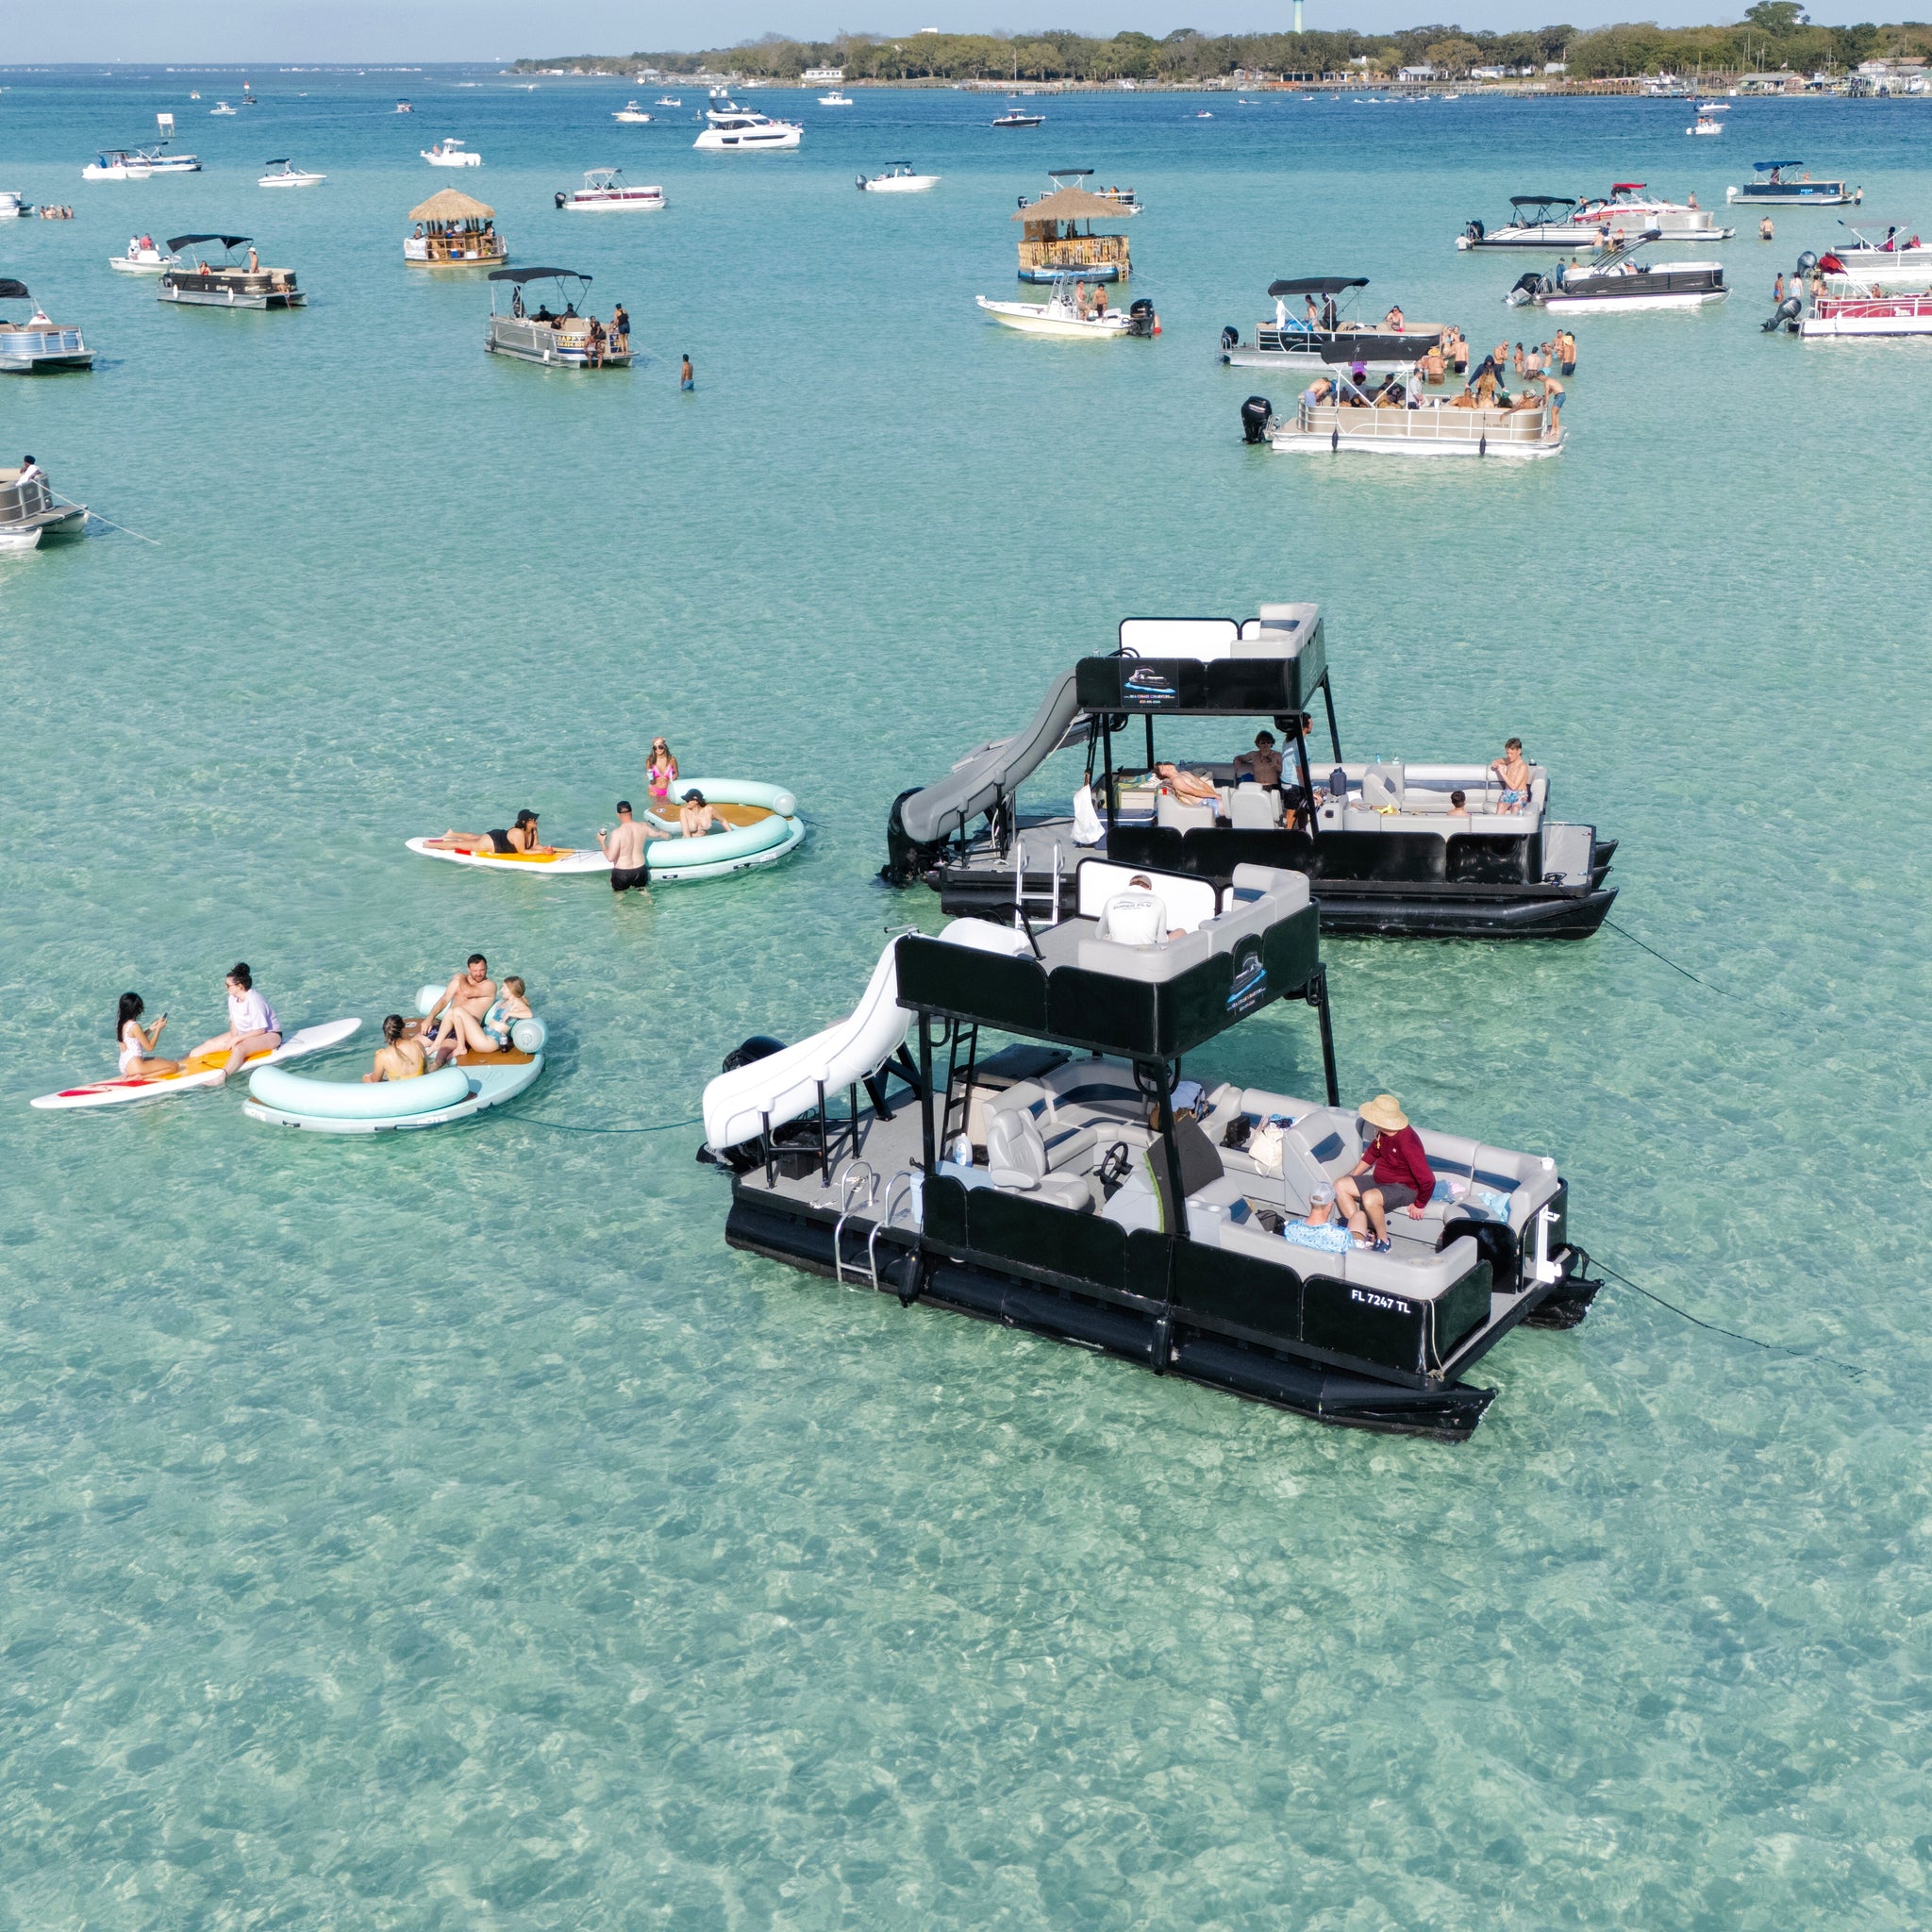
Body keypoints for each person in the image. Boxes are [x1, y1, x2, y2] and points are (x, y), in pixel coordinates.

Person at [1334, 1093, 1435, 1254]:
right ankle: (1361, 1231)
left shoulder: (1407, 1143)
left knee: (1369, 1197)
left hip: (1405, 1188)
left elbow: (1428, 1180)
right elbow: (1372, 1154)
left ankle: (1384, 1240)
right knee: (1340, 1185)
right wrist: (1354, 1175)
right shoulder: (1383, 1133)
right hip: (1380, 1181)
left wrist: (1419, 1204)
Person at [189, 962, 281, 1085]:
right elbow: (234, 1022)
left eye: (228, 985)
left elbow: (260, 1030)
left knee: (239, 1049)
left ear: (240, 986)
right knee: (208, 1044)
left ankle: (221, 1078)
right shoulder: (232, 998)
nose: (226, 987)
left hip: (270, 1034)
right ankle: (181, 1064)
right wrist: (233, 1038)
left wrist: (237, 1040)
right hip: (245, 1033)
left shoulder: (255, 1000)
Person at [430, 975, 530, 1065]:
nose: (501, 990)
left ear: (511, 989)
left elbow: (529, 1014)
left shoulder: (517, 1002)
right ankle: (437, 1044)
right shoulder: (507, 1002)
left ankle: (461, 1048)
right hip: (484, 1035)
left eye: (504, 987)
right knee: (452, 1011)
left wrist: (510, 1013)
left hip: (490, 1041)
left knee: (458, 1010)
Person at [421, 955, 495, 1059]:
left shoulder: (489, 986)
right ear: (468, 969)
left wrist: (461, 977)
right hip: (446, 1024)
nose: (479, 974)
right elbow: (444, 999)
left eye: (482, 970)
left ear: (486, 968)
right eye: (475, 970)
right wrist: (430, 1018)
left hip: (464, 1031)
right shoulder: (458, 982)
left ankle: (430, 1071)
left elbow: (467, 992)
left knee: (442, 1053)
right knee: (415, 1043)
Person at [599, 799, 662, 891]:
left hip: (622, 872)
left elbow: (610, 857)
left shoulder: (617, 833)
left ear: (617, 814)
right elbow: (659, 834)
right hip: (640, 869)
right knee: (644, 894)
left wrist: (602, 842)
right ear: (631, 811)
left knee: (620, 900)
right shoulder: (643, 827)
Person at [1279, 1184, 1360, 1255]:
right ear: (1330, 1204)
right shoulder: (1341, 1236)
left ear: (1309, 1200)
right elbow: (1354, 1256)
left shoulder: (1291, 1228)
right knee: (1360, 1216)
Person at [116, 991, 178, 1077]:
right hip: (135, 1065)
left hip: (125, 1064)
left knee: (164, 1060)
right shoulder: (134, 1026)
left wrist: (151, 1029)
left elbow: (135, 1040)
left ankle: (135, 1074)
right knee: (174, 1067)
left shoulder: (120, 1024)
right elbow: (150, 1047)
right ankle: (141, 1077)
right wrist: (158, 1030)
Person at [362, 1013, 426, 1084]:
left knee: (366, 1078)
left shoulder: (382, 1055)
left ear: (385, 1032)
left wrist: (366, 1077)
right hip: (419, 1086)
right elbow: (425, 1068)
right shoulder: (417, 1045)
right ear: (402, 1029)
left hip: (397, 1090)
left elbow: (375, 1081)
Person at [1489, 737, 1532, 811]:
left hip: (1520, 794)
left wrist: (1502, 772)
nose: (1509, 755)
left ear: (1519, 751)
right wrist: (1495, 763)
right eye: (1507, 753)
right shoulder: (1509, 761)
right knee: (1500, 807)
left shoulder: (1522, 766)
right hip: (1508, 792)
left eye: (1512, 753)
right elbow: (1499, 760)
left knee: (1515, 808)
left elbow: (1514, 787)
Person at [1154, 761, 1219, 807]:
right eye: (1163, 769)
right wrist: (1215, 796)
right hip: (1205, 803)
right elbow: (1194, 792)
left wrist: (1215, 795)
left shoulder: (1185, 773)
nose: (1167, 767)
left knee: (1227, 802)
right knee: (1227, 805)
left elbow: (1202, 783)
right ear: (1163, 774)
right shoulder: (1176, 780)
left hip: (1211, 799)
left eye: (1165, 765)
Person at [645, 738, 678, 806]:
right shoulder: (650, 760)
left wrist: (675, 775)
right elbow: (647, 773)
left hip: (668, 791)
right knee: (657, 811)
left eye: (660, 747)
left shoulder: (672, 760)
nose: (658, 749)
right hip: (654, 791)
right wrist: (647, 776)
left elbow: (677, 772)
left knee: (668, 811)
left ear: (665, 747)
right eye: (655, 748)